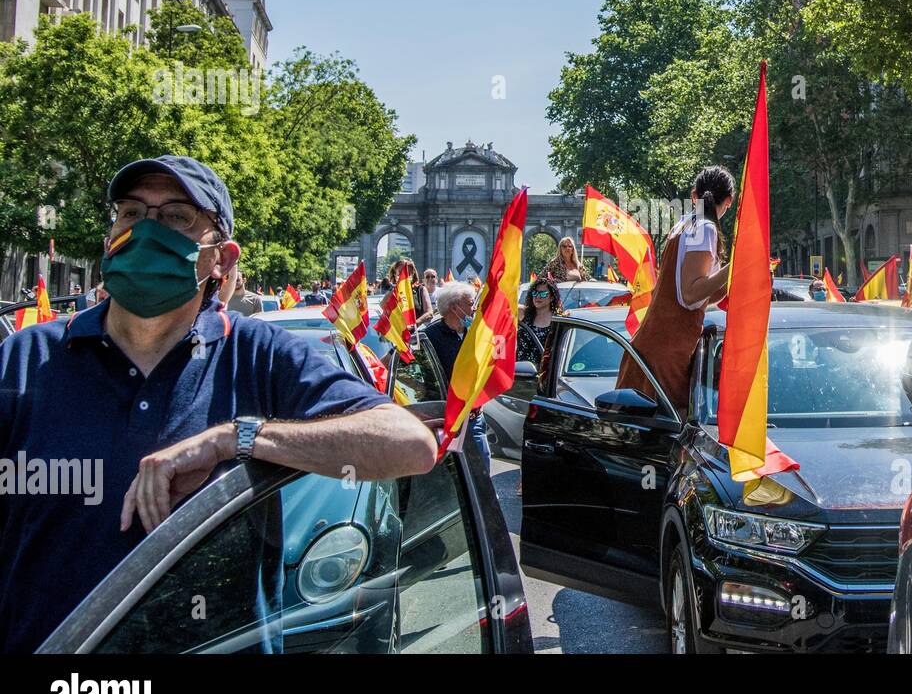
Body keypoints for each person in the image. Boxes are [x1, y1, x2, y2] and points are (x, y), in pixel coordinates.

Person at [0, 155, 438, 653]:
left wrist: (236, 439)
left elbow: (409, 445)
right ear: (110, 239)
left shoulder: (258, 355)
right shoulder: (24, 357)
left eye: (176, 218)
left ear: (222, 259)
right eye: (130, 214)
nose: (146, 232)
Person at [616, 166, 734, 412]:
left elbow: (690, 296)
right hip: (669, 355)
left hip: (651, 348)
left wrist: (729, 283)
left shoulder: (684, 224)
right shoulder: (705, 228)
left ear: (694, 195)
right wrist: (735, 268)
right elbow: (691, 293)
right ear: (729, 201)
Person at [425, 281, 490, 459]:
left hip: (474, 416)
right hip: (446, 418)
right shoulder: (430, 336)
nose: (474, 309)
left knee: (482, 465)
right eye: (470, 304)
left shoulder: (476, 332)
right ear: (454, 308)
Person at [518, 275, 561, 368]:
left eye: (543, 294)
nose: (537, 297)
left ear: (552, 298)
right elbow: (502, 306)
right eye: (535, 293)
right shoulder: (523, 313)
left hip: (545, 375)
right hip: (520, 372)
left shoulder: (558, 320)